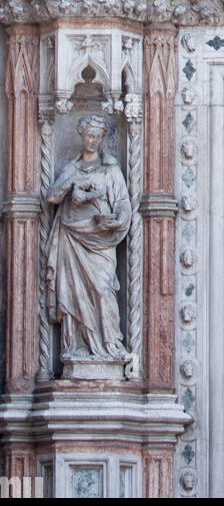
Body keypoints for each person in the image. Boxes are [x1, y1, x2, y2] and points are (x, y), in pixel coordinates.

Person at [46, 115, 132, 363]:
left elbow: (124, 204)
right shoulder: (72, 169)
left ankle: (110, 345)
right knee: (74, 293)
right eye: (89, 135)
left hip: (101, 241)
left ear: (103, 138)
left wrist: (115, 220)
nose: (93, 140)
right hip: (73, 237)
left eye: (97, 136)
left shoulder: (110, 170)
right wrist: (72, 183)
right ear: (82, 136)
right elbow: (52, 197)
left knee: (104, 289)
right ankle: (77, 347)